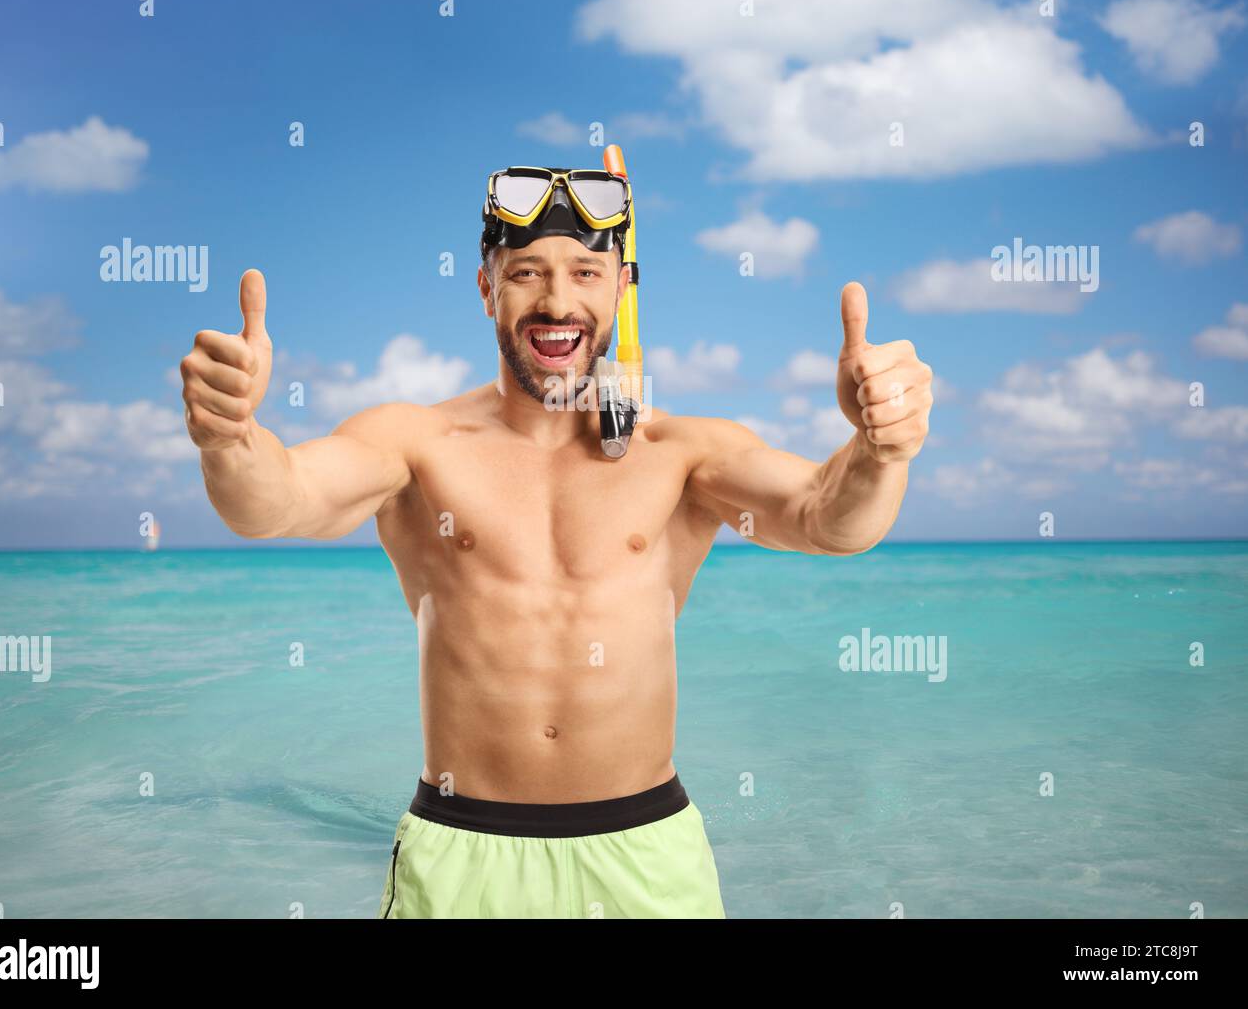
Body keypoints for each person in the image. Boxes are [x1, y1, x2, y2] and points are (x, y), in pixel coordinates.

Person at [178, 161, 933, 918]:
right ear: (485, 288)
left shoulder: (680, 453)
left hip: (645, 852)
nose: (557, 301)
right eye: (527, 272)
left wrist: (880, 450)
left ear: (621, 288)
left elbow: (828, 518)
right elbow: (276, 502)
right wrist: (229, 437)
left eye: (584, 271)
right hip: (461, 851)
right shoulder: (416, 444)